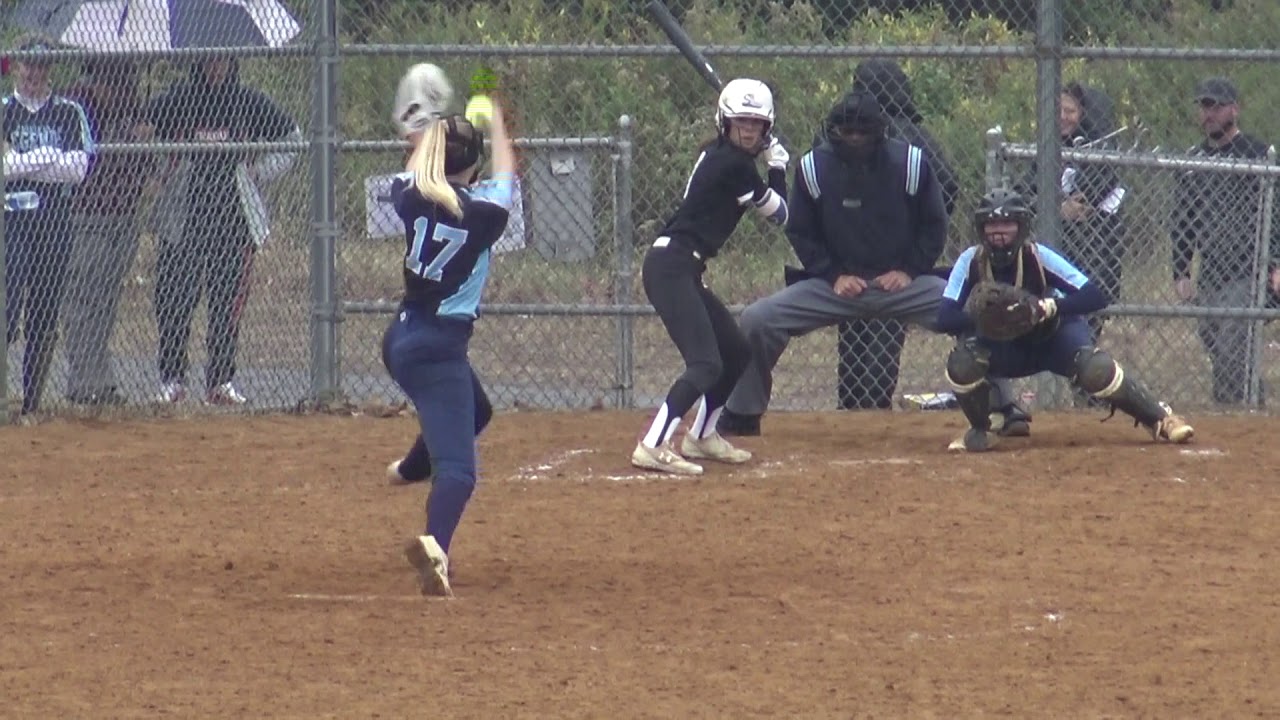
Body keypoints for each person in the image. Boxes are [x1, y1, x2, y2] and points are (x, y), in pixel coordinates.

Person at [717, 91, 1024, 437]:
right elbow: (801, 231)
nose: (855, 140)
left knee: (980, 310)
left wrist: (909, 269)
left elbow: (934, 225)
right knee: (759, 319)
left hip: (903, 285)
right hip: (835, 286)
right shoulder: (813, 167)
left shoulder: (909, 163)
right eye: (847, 133)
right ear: (833, 132)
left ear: (881, 132)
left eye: (863, 133)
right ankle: (742, 413)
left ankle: (1002, 407)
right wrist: (833, 275)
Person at [383, 63, 517, 597]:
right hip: (438, 350)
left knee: (477, 410)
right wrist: (498, 120)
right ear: (473, 166)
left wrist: (426, 127)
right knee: (459, 470)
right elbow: (507, 174)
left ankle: (410, 468)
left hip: (401, 339)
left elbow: (418, 160)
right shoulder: (484, 212)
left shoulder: (411, 193)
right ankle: (436, 549)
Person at [938, 187, 1193, 451]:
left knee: (1094, 367)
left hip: (1049, 338)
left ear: (1022, 226)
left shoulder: (1038, 256)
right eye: (991, 225)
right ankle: (983, 426)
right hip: (1002, 346)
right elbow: (944, 318)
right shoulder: (971, 260)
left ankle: (1161, 418)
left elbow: (1094, 296)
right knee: (962, 362)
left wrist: (1046, 307)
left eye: (1007, 223)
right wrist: (988, 319)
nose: (998, 232)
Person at [630, 78, 789, 476]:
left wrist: (766, 163)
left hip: (684, 266)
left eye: (757, 124)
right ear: (724, 123)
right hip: (671, 267)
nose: (749, 130)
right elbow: (781, 215)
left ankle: (701, 436)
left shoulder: (720, 155)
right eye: (741, 122)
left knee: (735, 353)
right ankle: (652, 444)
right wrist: (777, 168)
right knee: (705, 364)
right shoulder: (733, 165)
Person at [147, 56, 299, 405]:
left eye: (223, 59)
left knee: (226, 304)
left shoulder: (248, 101)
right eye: (209, 60)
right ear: (197, 61)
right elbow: (142, 129)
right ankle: (172, 379)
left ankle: (221, 380)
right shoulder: (178, 98)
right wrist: (158, 170)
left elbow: (293, 139)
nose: (216, 66)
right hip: (183, 219)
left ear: (232, 61)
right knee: (173, 302)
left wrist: (260, 172)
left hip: (233, 221)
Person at [835, 59, 960, 411]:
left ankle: (856, 404)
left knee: (864, 328)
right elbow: (949, 185)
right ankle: (869, 404)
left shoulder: (875, 134)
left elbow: (946, 184)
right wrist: (918, 229)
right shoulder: (912, 134)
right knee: (880, 327)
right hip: (892, 255)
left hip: (861, 254)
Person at [1171, 76, 1280, 405]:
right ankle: (1252, 400)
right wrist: (1180, 271)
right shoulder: (1193, 160)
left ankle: (1231, 409)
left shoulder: (1259, 155)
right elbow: (1182, 221)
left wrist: (1276, 264)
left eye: (1216, 106)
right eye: (1204, 106)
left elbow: (1276, 215)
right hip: (1211, 269)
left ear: (1234, 109)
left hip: (1250, 268)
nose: (1209, 114)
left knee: (1233, 342)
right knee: (1214, 339)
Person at [2, 35, 93, 417]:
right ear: (17, 67)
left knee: (43, 309)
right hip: (9, 221)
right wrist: (45, 156)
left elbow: (77, 170)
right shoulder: (5, 110)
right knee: (6, 306)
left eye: (42, 66)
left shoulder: (69, 111)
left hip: (53, 222)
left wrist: (21, 160)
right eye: (28, 65)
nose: (34, 73)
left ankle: (32, 404)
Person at [62, 58, 153, 407]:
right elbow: (84, 159)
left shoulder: (132, 104)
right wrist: (128, 137)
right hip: (86, 215)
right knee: (82, 297)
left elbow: (144, 164)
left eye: (124, 85)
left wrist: (144, 143)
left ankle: (99, 378)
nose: (117, 93)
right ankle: (83, 379)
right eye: (112, 85)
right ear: (94, 80)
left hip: (124, 215)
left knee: (105, 300)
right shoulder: (76, 106)